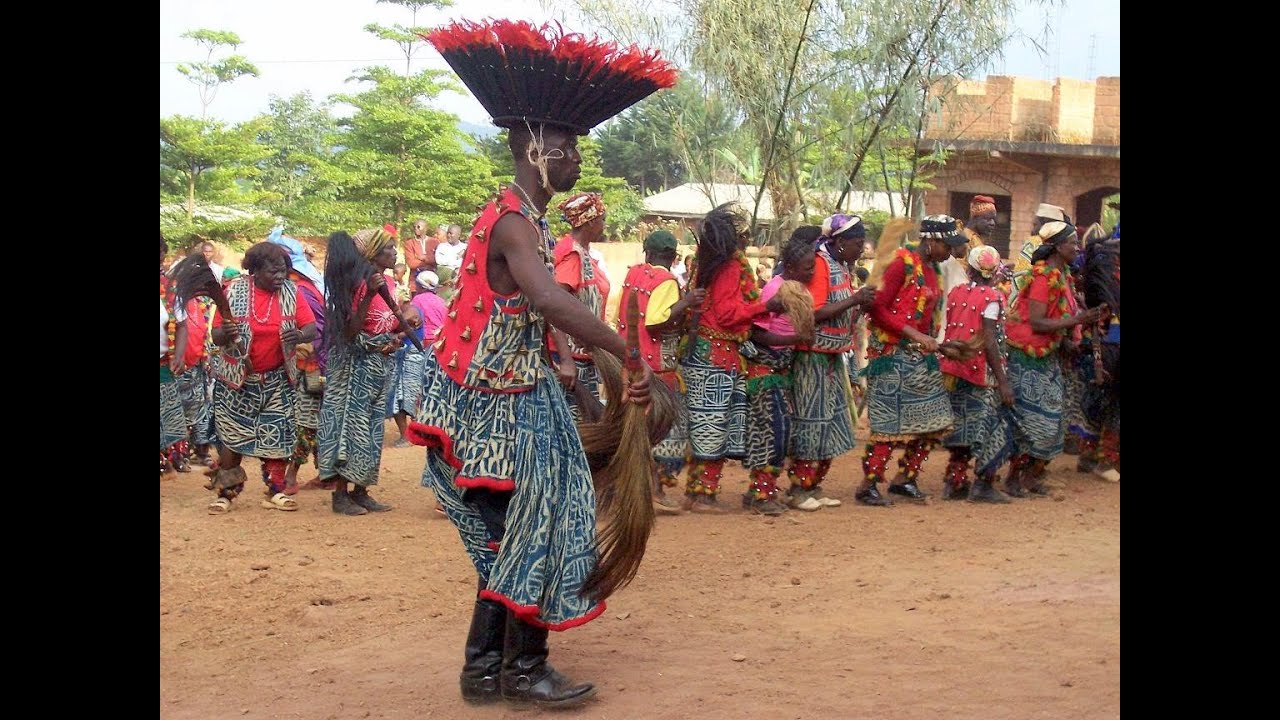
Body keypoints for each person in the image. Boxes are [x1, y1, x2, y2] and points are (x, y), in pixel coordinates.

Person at [411, 18, 670, 707]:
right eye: (571, 148)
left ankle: (487, 670)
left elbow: (537, 311)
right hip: (495, 405)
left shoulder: (527, 217)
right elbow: (550, 298)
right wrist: (622, 349)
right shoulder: (513, 221)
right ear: (538, 147)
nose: (579, 160)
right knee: (540, 524)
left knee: (524, 530)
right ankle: (519, 672)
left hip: (516, 396)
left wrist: (567, 369)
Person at [680, 204, 787, 513]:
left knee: (704, 424)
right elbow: (727, 315)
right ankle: (705, 495)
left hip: (703, 353)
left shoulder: (707, 264)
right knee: (715, 425)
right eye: (745, 235)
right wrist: (766, 306)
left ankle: (697, 490)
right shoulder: (729, 267)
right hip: (717, 357)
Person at [991, 221, 1104, 497]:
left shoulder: (1061, 274)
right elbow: (1039, 322)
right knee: (1033, 422)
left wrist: (1068, 340)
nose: (1077, 249)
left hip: (1047, 355)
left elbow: (1053, 319)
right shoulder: (1043, 278)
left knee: (1054, 420)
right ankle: (1014, 479)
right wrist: (1079, 319)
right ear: (1056, 247)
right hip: (1027, 356)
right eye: (1072, 244)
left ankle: (1030, 476)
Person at [857, 215, 963, 506]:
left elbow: (926, 318)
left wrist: (938, 345)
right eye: (947, 245)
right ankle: (868, 485)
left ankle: (905, 479)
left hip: (919, 356)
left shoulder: (934, 269)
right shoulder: (900, 263)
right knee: (888, 426)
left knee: (936, 421)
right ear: (931, 241)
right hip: (891, 355)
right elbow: (876, 309)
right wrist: (915, 335)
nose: (951, 251)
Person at [206, 242, 319, 514]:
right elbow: (216, 336)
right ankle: (226, 493)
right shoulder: (233, 291)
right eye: (274, 271)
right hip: (237, 380)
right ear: (255, 270)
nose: (280, 276)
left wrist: (299, 335)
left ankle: (275, 491)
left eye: (283, 271)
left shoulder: (291, 292)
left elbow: (311, 327)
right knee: (233, 439)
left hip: (278, 379)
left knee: (277, 435)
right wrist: (228, 332)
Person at [786, 216, 876, 510]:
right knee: (811, 420)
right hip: (812, 355)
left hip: (833, 356)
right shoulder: (822, 265)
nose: (861, 250)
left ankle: (814, 484)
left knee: (832, 423)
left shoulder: (842, 268)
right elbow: (813, 311)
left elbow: (841, 314)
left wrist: (860, 304)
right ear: (839, 242)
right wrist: (854, 300)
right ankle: (799, 488)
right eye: (857, 244)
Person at [316, 228, 404, 515]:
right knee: (349, 427)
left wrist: (398, 336)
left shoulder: (387, 284)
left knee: (373, 428)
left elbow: (386, 324)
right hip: (355, 368)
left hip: (380, 366)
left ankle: (362, 489)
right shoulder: (355, 284)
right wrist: (368, 294)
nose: (394, 253)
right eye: (389, 248)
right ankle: (340, 495)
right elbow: (351, 331)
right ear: (373, 254)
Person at [617, 230, 705, 514]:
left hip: (629, 359)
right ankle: (655, 489)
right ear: (672, 257)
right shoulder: (666, 280)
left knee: (637, 429)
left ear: (647, 252)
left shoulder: (634, 275)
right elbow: (656, 322)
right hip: (656, 366)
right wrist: (687, 302)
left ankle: (638, 490)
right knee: (660, 432)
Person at [741, 228, 817, 515]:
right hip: (765, 370)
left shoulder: (798, 289)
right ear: (793, 266)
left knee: (780, 432)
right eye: (808, 267)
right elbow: (756, 334)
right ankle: (762, 494)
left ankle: (760, 491)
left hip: (781, 371)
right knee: (771, 432)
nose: (811, 272)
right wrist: (793, 341)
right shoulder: (775, 289)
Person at [939, 245, 1015, 503]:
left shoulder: (957, 292)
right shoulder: (992, 297)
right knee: (992, 426)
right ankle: (984, 484)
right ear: (996, 272)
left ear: (969, 269)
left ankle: (955, 482)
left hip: (954, 367)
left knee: (961, 426)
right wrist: (1003, 382)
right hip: (981, 372)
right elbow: (990, 342)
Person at [268, 228, 328, 494]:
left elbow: (314, 331)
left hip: (307, 365)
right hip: (309, 363)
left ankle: (291, 474)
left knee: (303, 419)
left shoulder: (297, 292)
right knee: (309, 417)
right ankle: (324, 471)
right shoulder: (306, 287)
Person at [552, 192, 612, 420]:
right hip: (571, 360)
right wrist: (566, 360)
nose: (604, 225)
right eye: (602, 220)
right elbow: (552, 306)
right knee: (578, 426)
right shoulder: (573, 257)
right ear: (591, 222)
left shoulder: (585, 255)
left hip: (583, 356)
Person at [160, 234, 191, 474]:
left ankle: (169, 456)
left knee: (167, 414)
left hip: (162, 363)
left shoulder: (170, 288)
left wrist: (179, 355)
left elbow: (182, 324)